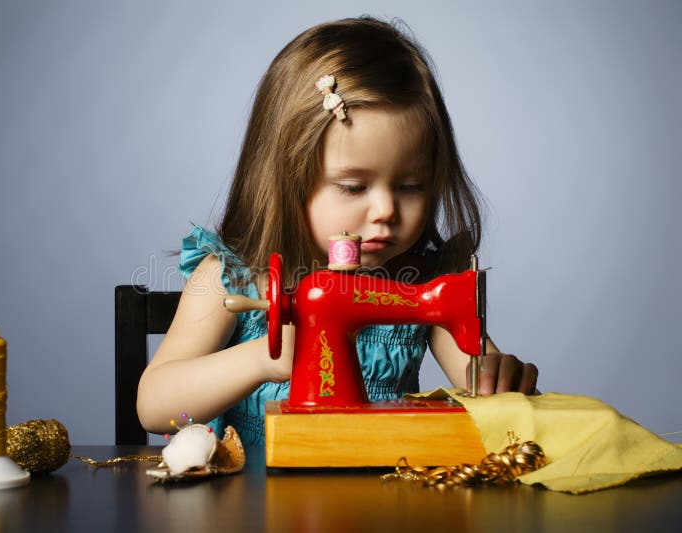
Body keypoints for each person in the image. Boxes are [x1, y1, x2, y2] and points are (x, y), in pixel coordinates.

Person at [137, 17, 538, 444]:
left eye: (411, 186)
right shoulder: (230, 277)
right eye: (353, 187)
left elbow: (486, 386)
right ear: (288, 179)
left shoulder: (423, 282)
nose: (386, 210)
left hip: (383, 503)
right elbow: (155, 408)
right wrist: (263, 358)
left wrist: (499, 376)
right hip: (249, 508)